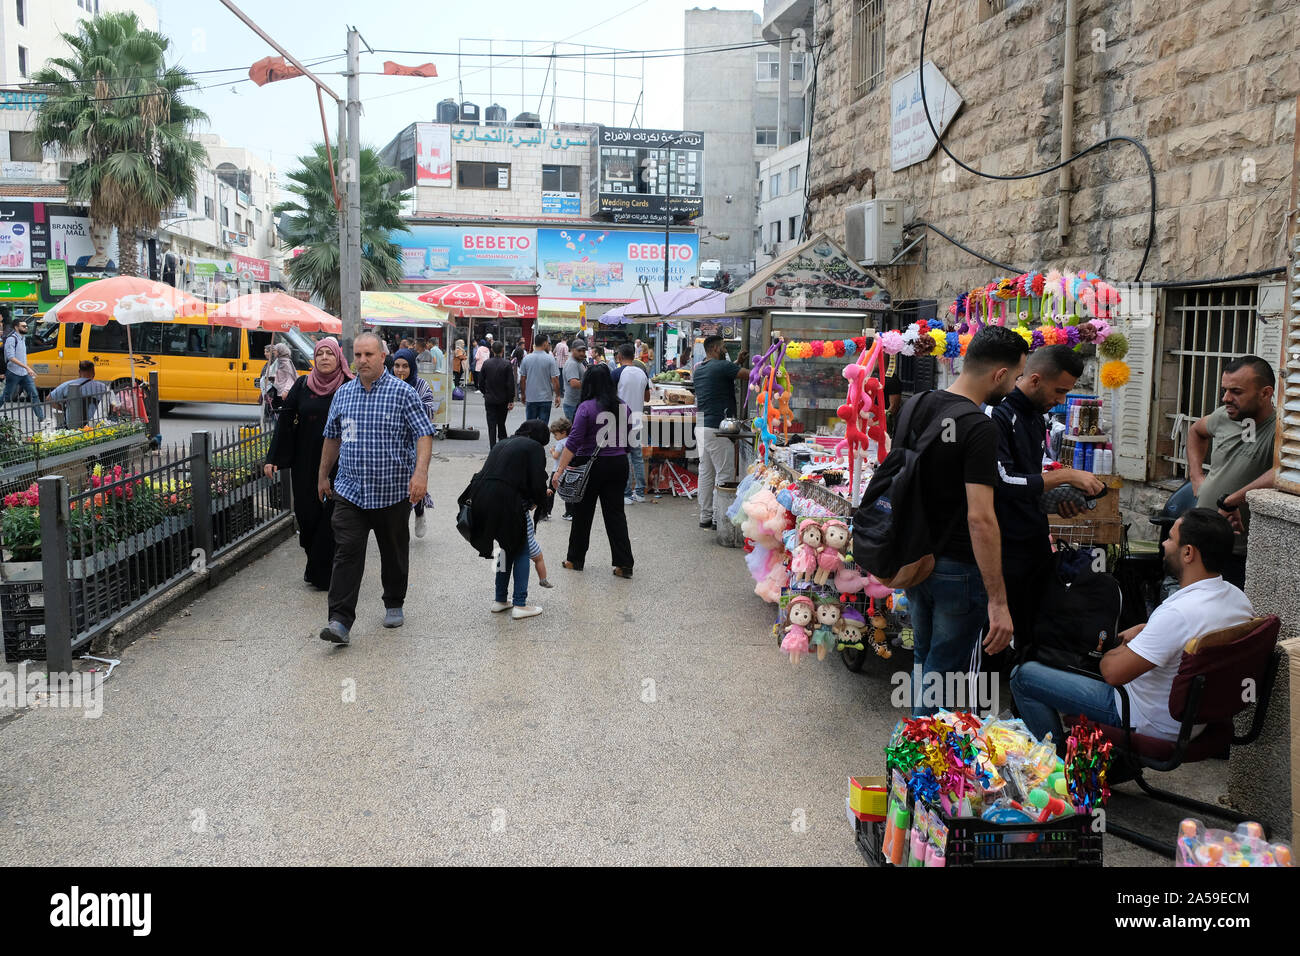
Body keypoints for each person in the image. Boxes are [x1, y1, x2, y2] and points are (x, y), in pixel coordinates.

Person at [1011, 509, 1255, 751]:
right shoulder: (1238, 600)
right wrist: (1148, 629)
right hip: (1197, 720)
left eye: (1170, 538)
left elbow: (1112, 673)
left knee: (1023, 676)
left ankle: (1058, 764)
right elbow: (1191, 630)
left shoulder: (1178, 613)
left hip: (1148, 719)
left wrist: (1118, 647)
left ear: (1188, 552)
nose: (1164, 544)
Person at [899, 326, 1027, 715]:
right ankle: (913, 760)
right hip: (957, 569)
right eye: (1017, 375)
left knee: (925, 661)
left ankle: (913, 754)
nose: (1016, 385)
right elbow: (981, 519)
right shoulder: (979, 427)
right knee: (944, 672)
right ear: (999, 374)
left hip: (916, 560)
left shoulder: (915, 405)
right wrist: (999, 602)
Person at [316, 332, 434, 645]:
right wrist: (323, 475)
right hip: (351, 491)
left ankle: (394, 601)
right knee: (347, 552)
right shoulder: (343, 394)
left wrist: (420, 475)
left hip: (392, 492)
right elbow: (332, 437)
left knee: (393, 553)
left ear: (383, 357)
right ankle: (340, 621)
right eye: (357, 355)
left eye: (369, 355)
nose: (362, 361)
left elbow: (424, 434)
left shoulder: (402, 393)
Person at [990, 345, 1105, 663]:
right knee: (998, 635)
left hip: (1035, 540)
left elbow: (1029, 480)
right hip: (1004, 546)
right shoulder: (999, 415)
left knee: (1033, 628)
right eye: (1059, 391)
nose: (1062, 400)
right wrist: (1066, 475)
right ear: (1036, 379)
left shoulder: (1036, 418)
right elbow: (1003, 481)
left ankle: (1023, 697)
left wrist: (1055, 501)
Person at [265, 337, 353, 590]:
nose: (325, 358)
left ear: (338, 358)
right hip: (305, 464)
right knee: (307, 516)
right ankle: (316, 564)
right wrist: (274, 458)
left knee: (332, 520)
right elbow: (285, 420)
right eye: (320, 353)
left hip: (340, 464)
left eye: (330, 354)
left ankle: (323, 573)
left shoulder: (349, 385)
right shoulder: (303, 385)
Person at [1187, 355, 1276, 589]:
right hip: (1199, 541)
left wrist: (1233, 500)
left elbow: (1282, 473)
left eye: (1236, 391)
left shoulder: (1281, 432)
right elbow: (1196, 432)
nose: (1226, 398)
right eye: (1224, 390)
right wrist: (1196, 477)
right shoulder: (1224, 416)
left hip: (1237, 552)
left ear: (1265, 393)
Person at [551, 364, 634, 578]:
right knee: (616, 514)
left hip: (591, 464)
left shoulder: (586, 408)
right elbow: (629, 439)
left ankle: (575, 559)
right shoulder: (624, 406)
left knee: (582, 514)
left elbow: (574, 442)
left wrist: (559, 471)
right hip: (618, 464)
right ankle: (624, 564)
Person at [462, 420, 550, 620]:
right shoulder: (534, 447)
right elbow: (537, 482)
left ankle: (500, 600)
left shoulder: (503, 442)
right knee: (521, 549)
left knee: (504, 548)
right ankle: (520, 603)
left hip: (480, 497)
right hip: (505, 502)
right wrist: (540, 501)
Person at [693, 335, 748, 529]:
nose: (726, 350)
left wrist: (736, 363)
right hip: (718, 428)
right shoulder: (722, 367)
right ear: (716, 349)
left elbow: (723, 373)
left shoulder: (700, 369)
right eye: (724, 347)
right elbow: (748, 375)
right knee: (724, 474)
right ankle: (719, 519)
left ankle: (705, 516)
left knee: (706, 473)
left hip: (702, 426)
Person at [391, 347, 438, 537]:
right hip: (395, 442)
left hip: (417, 443)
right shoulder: (387, 384)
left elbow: (429, 413)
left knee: (414, 481)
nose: (400, 371)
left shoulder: (421, 386)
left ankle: (419, 512)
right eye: (396, 366)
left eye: (405, 366)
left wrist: (410, 402)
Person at [614, 342, 650, 504]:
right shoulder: (642, 373)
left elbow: (609, 396)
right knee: (637, 457)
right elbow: (647, 398)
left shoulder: (616, 373)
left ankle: (627, 494)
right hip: (637, 419)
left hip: (621, 420)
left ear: (620, 357)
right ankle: (641, 493)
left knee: (625, 457)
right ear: (634, 356)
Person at [2, 316, 43, 420]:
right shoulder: (11, 339)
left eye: (26, 326)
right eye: (23, 326)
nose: (26, 328)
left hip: (24, 373)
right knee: (6, 396)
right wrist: (27, 367)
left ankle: (41, 418)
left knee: (34, 395)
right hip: (13, 372)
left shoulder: (22, 338)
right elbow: (11, 357)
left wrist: (26, 369)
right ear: (16, 327)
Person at [480, 340, 517, 448]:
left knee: (491, 426)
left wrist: (485, 392)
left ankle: (493, 449)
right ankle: (502, 447)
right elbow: (510, 384)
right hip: (503, 399)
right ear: (502, 350)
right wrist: (511, 400)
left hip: (490, 399)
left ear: (492, 350)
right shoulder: (506, 364)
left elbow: (481, 382)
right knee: (501, 423)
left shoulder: (486, 363)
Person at [520, 333, 561, 424]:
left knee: (530, 426)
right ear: (545, 343)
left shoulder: (526, 359)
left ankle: (531, 438)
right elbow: (555, 379)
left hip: (531, 397)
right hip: (545, 398)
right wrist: (558, 395)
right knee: (543, 426)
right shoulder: (550, 359)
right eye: (547, 343)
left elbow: (522, 379)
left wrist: (523, 394)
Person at [262, 342, 297, 425]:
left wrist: (286, 390)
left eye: (276, 351)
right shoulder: (279, 361)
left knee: (280, 416)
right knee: (276, 413)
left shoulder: (286, 363)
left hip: (283, 394)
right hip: (278, 391)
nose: (274, 352)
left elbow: (290, 378)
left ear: (281, 351)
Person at [546, 416, 572, 522]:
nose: (555, 437)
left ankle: (547, 511)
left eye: (556, 434)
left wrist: (552, 451)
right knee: (568, 492)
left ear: (563, 432)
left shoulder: (560, 443)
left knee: (551, 491)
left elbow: (556, 456)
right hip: (568, 470)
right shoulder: (570, 441)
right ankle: (569, 513)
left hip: (557, 470)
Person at [561, 339, 587, 423]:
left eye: (583, 351)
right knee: (575, 433)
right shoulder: (572, 364)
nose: (582, 353)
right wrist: (590, 382)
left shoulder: (578, 362)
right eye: (579, 351)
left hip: (576, 404)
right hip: (572, 405)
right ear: (572, 350)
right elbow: (574, 383)